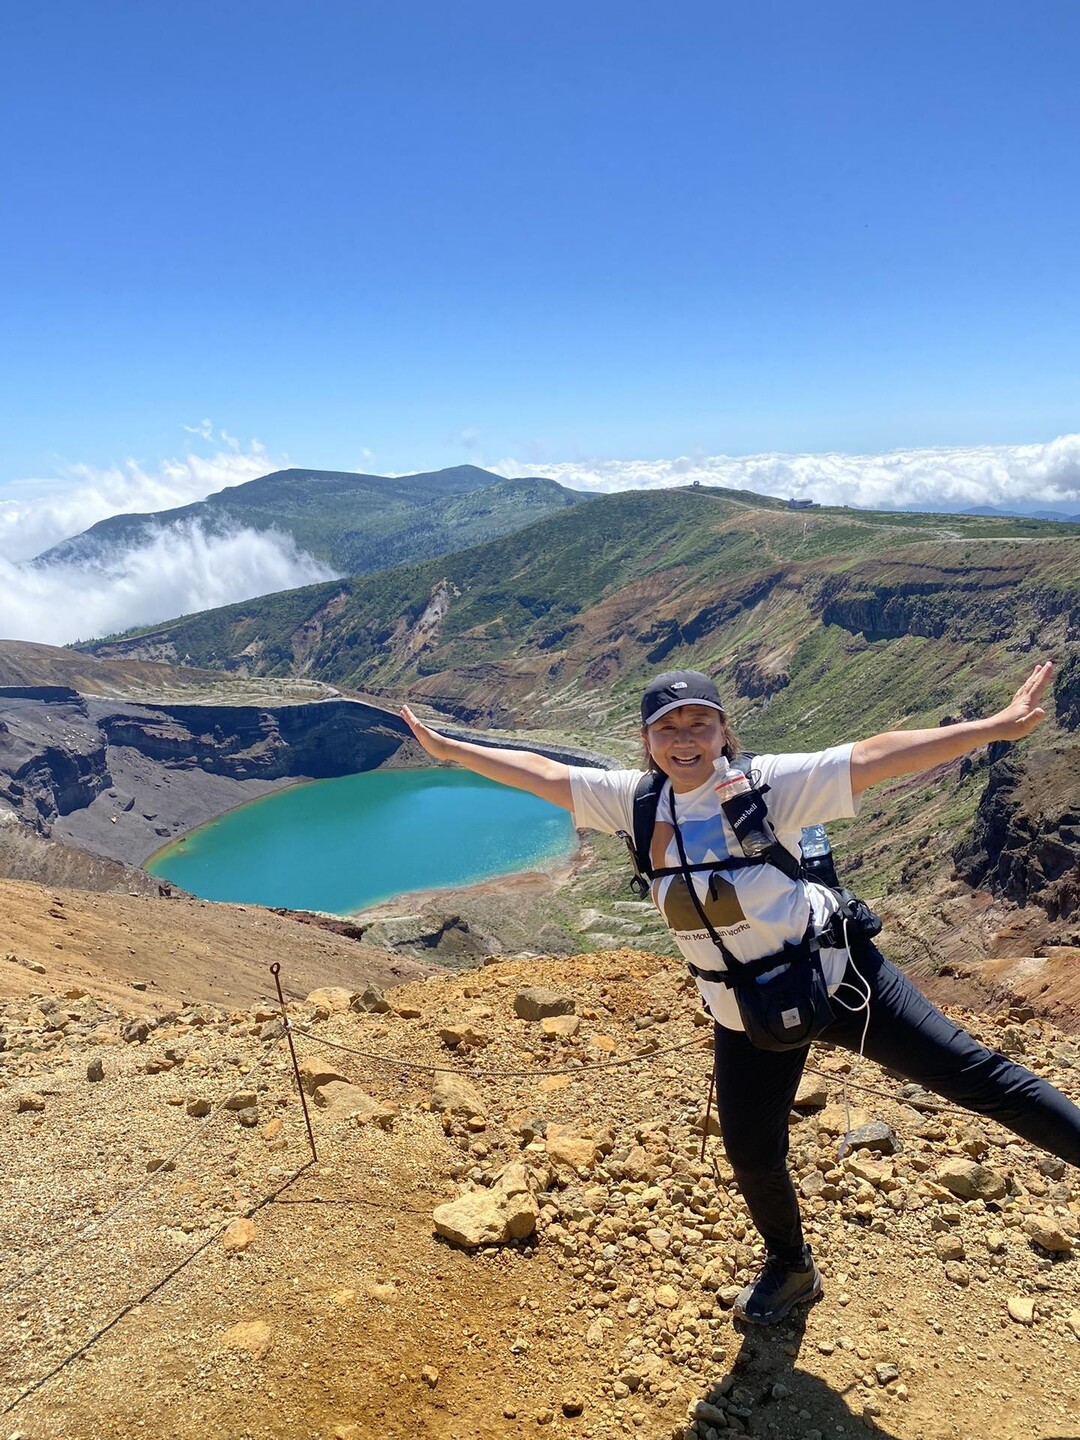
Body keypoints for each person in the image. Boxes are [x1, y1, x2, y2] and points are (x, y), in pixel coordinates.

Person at [400, 661, 1080, 1324]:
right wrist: (446, 746)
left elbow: (874, 756)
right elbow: (542, 773)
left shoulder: (767, 785)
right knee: (752, 1151)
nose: (685, 737)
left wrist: (993, 727)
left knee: (977, 1078)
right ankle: (792, 1269)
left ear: (725, 731)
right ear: (647, 741)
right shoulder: (634, 802)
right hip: (743, 1013)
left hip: (838, 982)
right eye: (668, 726)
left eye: (701, 722)